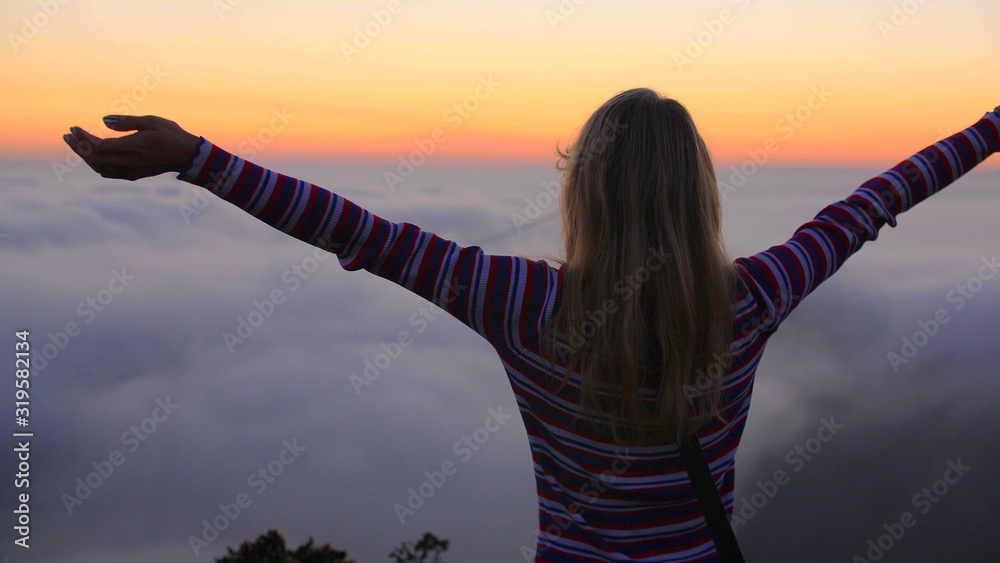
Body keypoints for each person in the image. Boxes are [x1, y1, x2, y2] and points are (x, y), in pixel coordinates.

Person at [63, 90, 1000, 561]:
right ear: (699, 197)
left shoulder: (519, 303)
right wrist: (993, 126)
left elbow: (355, 230)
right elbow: (880, 198)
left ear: (583, 191)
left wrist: (198, 159)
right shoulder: (748, 301)